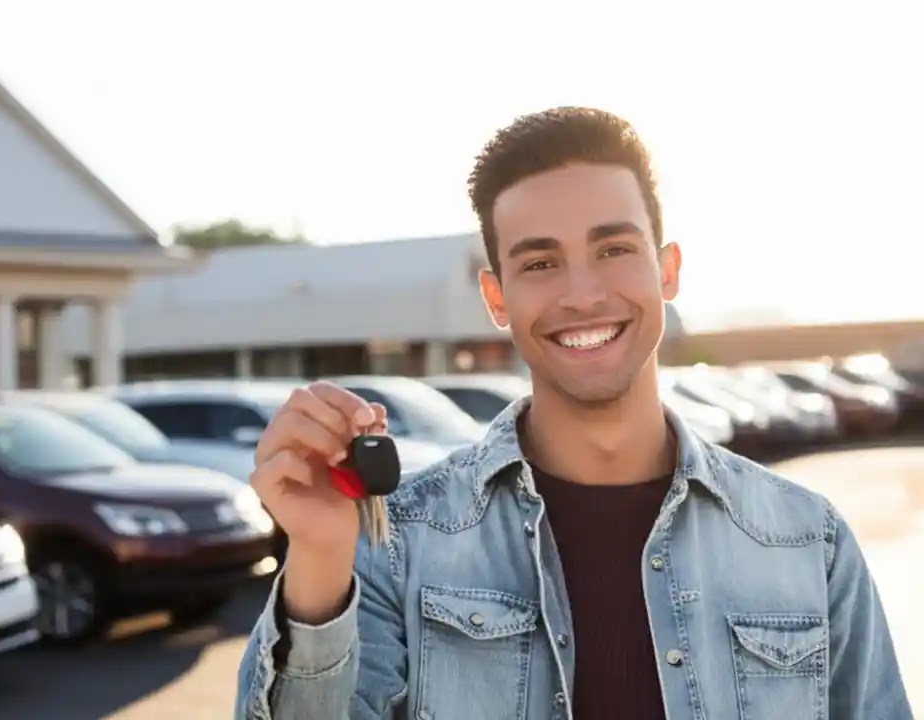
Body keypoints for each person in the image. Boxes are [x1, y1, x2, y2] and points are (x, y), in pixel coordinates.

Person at [234, 107, 911, 719]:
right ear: (497, 300)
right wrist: (320, 562)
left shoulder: (805, 541)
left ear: (666, 270)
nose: (582, 294)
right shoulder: (395, 545)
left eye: (613, 250)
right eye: (540, 263)